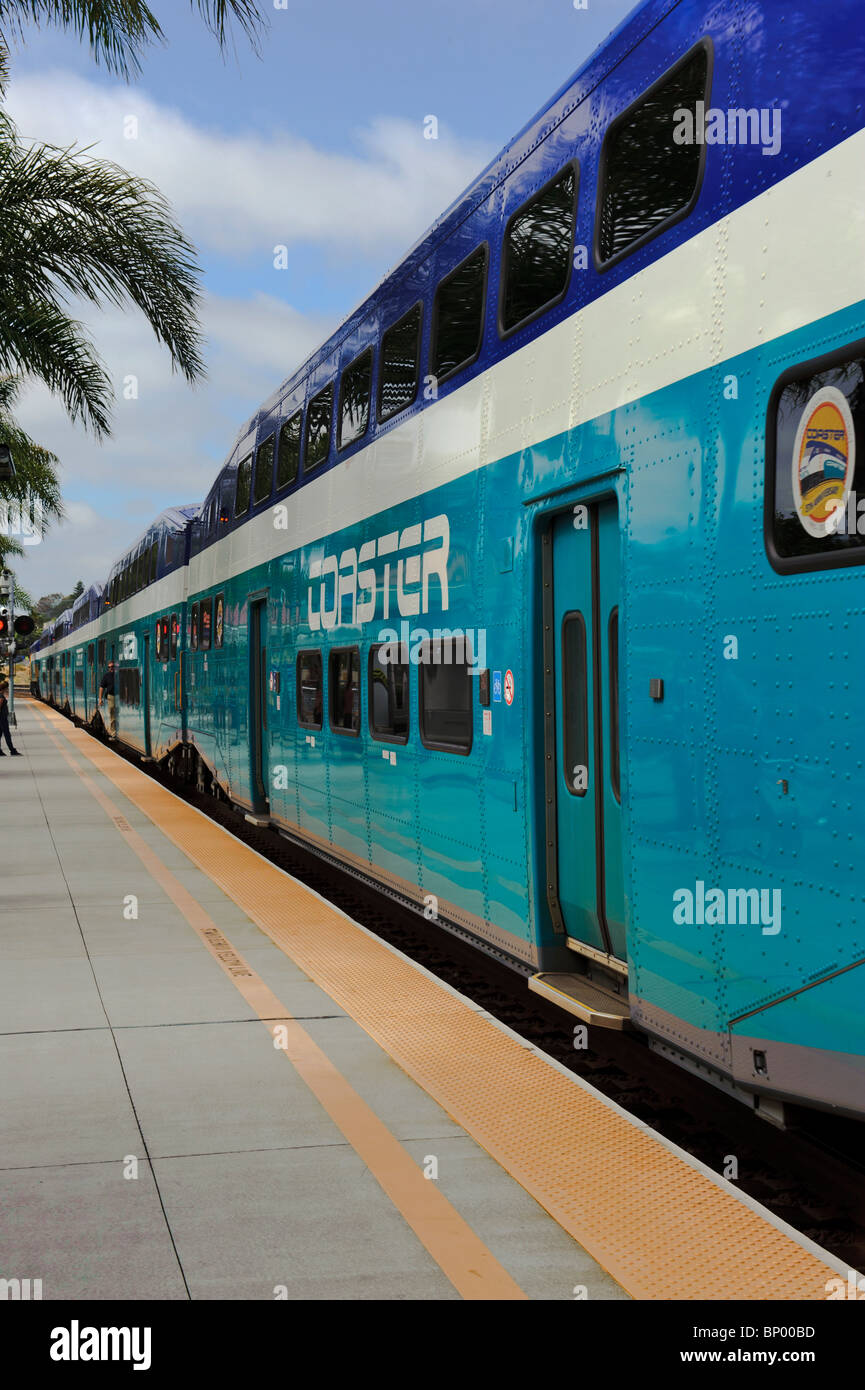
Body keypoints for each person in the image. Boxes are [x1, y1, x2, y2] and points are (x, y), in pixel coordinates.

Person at [0, 681, 21, 755]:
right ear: (5, 688)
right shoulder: (1, 696)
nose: (7, 689)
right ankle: (12, 750)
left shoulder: (1, 695)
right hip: (2, 719)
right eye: (7, 688)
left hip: (2, 718)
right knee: (7, 734)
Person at [98, 660, 117, 737]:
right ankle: (113, 732)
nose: (111, 668)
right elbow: (101, 687)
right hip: (111, 696)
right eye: (109, 667)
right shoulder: (106, 676)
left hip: (119, 696)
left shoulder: (118, 675)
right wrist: (100, 699)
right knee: (112, 713)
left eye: (112, 666)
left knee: (117, 713)